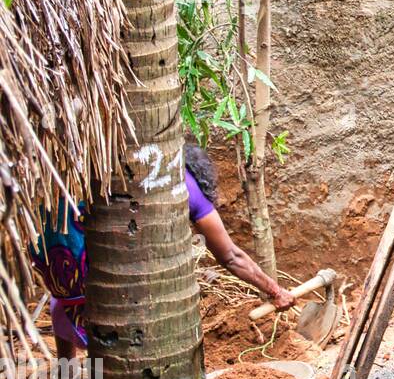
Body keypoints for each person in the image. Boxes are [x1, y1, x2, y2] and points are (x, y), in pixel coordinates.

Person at [30, 143, 296, 361]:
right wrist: (275, 290)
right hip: (111, 303)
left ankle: (65, 368)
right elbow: (230, 257)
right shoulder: (185, 184)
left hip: (60, 276)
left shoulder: (99, 165)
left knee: (73, 265)